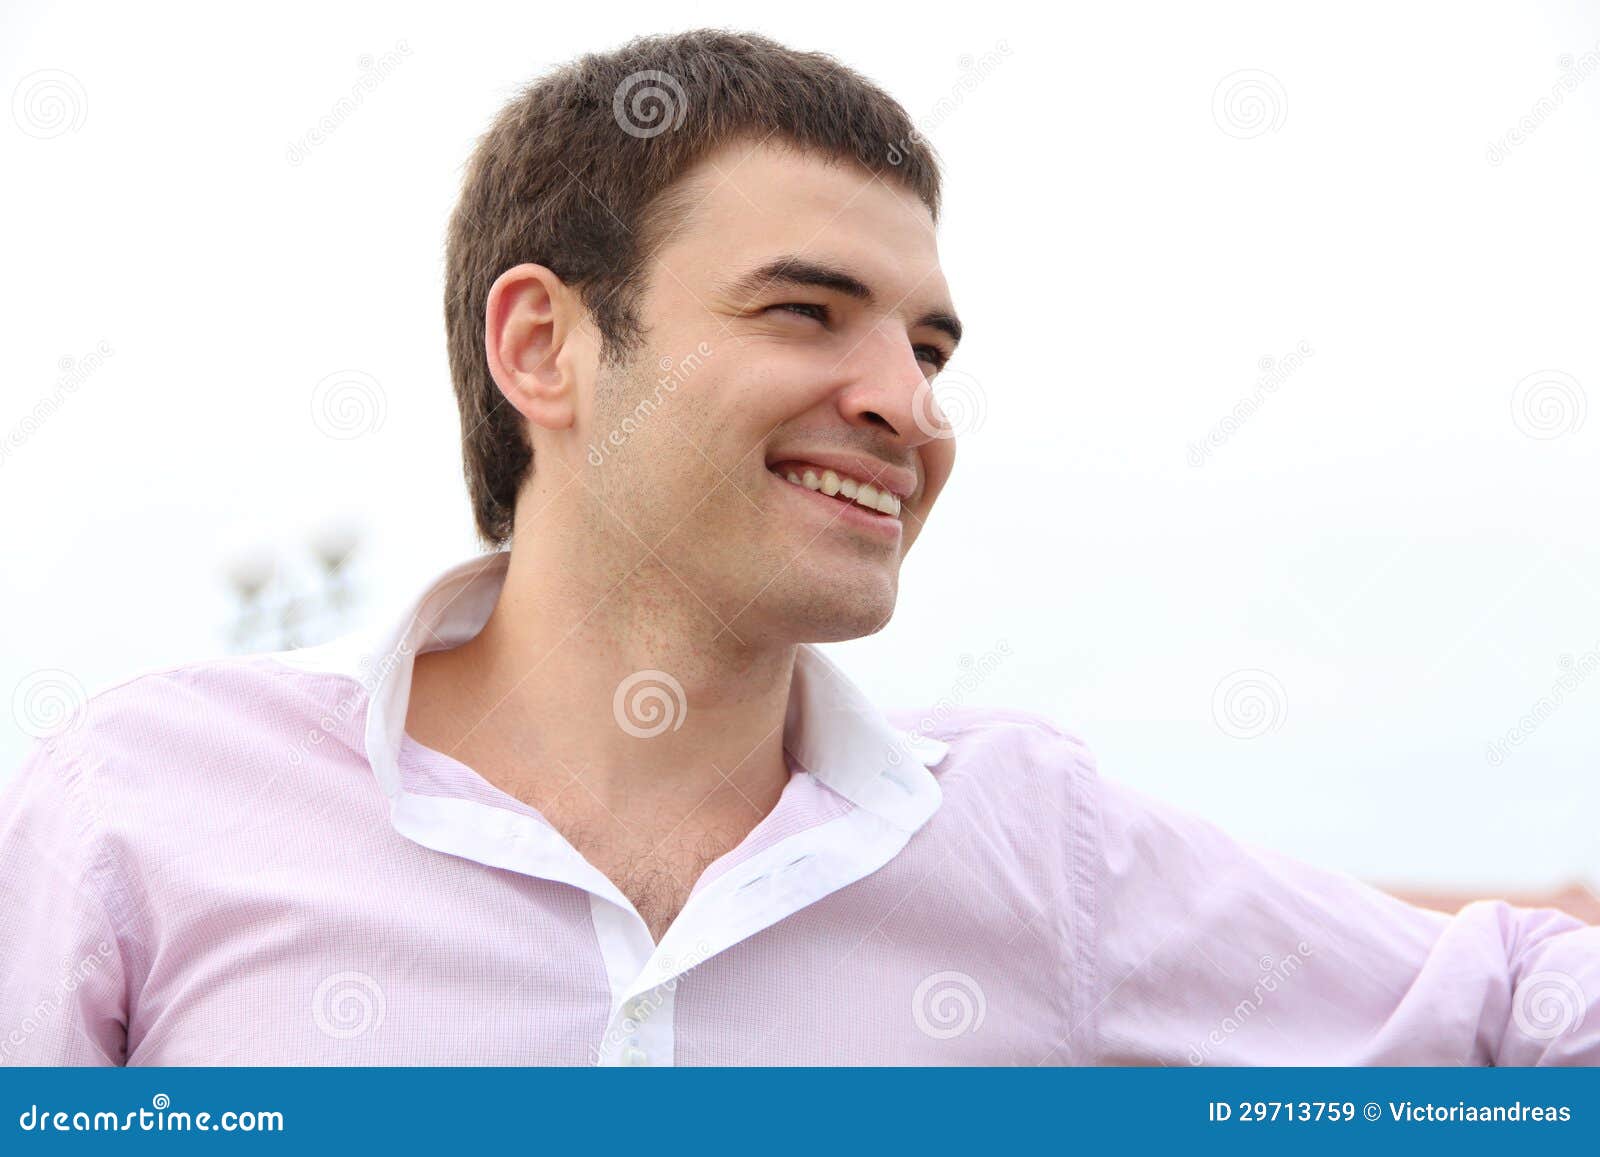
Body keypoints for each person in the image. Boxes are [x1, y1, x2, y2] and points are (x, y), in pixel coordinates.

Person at [1, 29, 1594, 1067]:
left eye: (932, 349)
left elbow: (1522, 1010)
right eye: (805, 311)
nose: (906, 406)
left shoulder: (1038, 842)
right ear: (543, 346)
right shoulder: (145, 803)